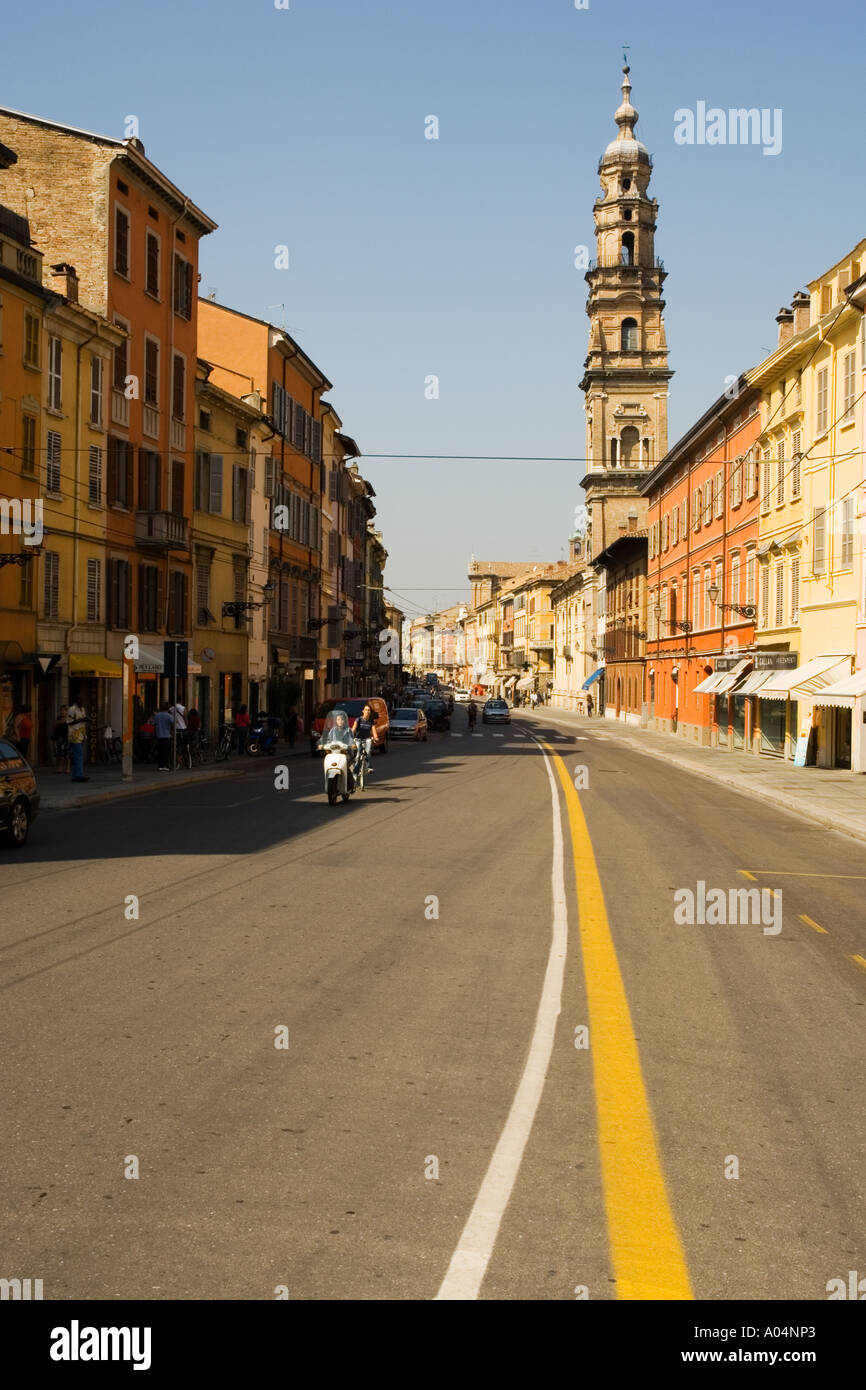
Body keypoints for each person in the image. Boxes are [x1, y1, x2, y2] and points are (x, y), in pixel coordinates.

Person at [318, 710, 356, 787]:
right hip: (334, 753)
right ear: (336, 720)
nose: (340, 721)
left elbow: (351, 740)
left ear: (345, 721)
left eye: (342, 719)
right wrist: (322, 744)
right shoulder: (333, 730)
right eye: (338, 719)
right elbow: (328, 739)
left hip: (346, 753)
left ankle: (351, 783)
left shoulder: (348, 730)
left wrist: (352, 745)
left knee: (345, 765)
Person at [351, 703, 377, 778]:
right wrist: (351, 736)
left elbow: (374, 730)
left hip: (367, 739)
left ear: (370, 712)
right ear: (363, 711)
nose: (367, 711)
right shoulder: (358, 719)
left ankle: (368, 767)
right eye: (366, 710)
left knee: (368, 751)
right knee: (358, 754)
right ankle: (355, 772)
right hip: (358, 739)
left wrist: (376, 737)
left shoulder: (371, 721)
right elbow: (353, 729)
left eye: (369, 710)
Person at [66, 699, 89, 781]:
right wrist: (81, 720)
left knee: (77, 756)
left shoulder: (82, 709)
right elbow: (68, 722)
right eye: (80, 701)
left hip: (81, 734)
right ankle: (79, 775)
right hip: (74, 735)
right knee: (78, 755)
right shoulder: (72, 709)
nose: (82, 702)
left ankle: (75, 775)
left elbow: (83, 723)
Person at [152, 701, 174, 770]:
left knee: (160, 751)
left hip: (159, 736)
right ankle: (165, 766)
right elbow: (173, 724)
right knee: (166, 752)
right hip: (166, 736)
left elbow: (154, 725)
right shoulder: (169, 716)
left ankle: (160, 765)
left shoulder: (157, 716)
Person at [51, 705, 70, 774]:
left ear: (67, 711)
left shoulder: (69, 718)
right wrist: (58, 722)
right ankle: (60, 768)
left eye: (64, 710)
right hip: (59, 738)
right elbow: (54, 727)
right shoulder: (58, 718)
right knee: (60, 754)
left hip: (66, 738)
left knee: (67, 754)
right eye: (61, 710)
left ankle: (67, 768)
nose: (62, 712)